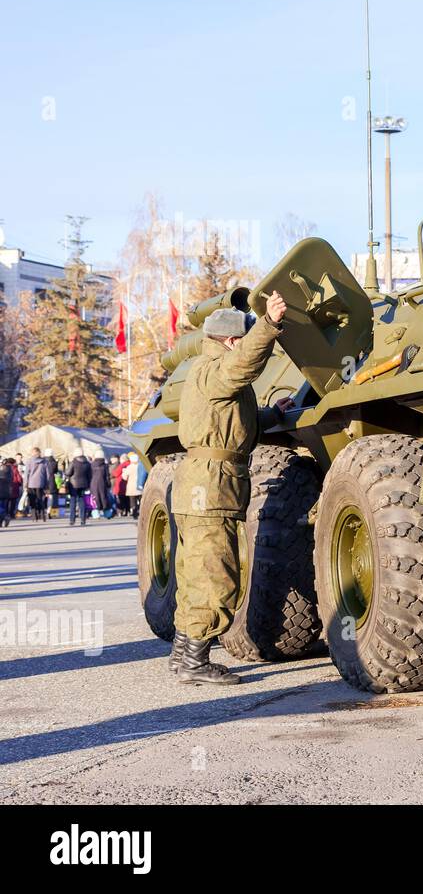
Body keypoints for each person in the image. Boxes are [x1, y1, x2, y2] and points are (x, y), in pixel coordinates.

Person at [171, 291, 290, 685]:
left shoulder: (205, 374)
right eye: (246, 337)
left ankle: (182, 655)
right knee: (216, 572)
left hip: (203, 480)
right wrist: (270, 324)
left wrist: (273, 414)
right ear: (233, 341)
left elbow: (234, 420)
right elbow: (242, 367)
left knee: (195, 571)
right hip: (212, 482)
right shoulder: (215, 368)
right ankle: (194, 661)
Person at [67, 448, 93, 526]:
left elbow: (68, 473)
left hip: (73, 484)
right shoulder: (87, 463)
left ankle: (72, 520)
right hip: (84, 484)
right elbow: (90, 475)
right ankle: (83, 519)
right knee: (82, 501)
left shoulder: (73, 462)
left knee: (73, 502)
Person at [24, 450, 50, 522]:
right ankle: (43, 515)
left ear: (33, 453)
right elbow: (47, 474)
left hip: (31, 484)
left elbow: (26, 474)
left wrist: (25, 484)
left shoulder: (29, 461)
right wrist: (46, 484)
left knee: (32, 500)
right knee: (40, 499)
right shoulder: (44, 462)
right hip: (40, 483)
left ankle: (34, 516)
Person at [90, 454, 112, 519]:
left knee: (94, 498)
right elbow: (107, 476)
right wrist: (108, 484)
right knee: (104, 498)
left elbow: (89, 475)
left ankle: (96, 514)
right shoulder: (105, 466)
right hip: (103, 484)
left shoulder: (91, 465)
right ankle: (107, 514)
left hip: (93, 484)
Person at [0, 457, 20, 526]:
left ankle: (5, 516)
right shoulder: (10, 470)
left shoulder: (2, 470)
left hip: (1, 491)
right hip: (7, 492)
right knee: (3, 506)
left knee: (1, 507)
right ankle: (1, 521)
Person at [124, 453, 145, 518]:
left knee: (133, 501)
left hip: (131, 487)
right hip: (140, 486)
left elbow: (124, 477)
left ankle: (134, 513)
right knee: (141, 500)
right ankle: (142, 512)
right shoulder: (141, 466)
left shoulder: (129, 467)